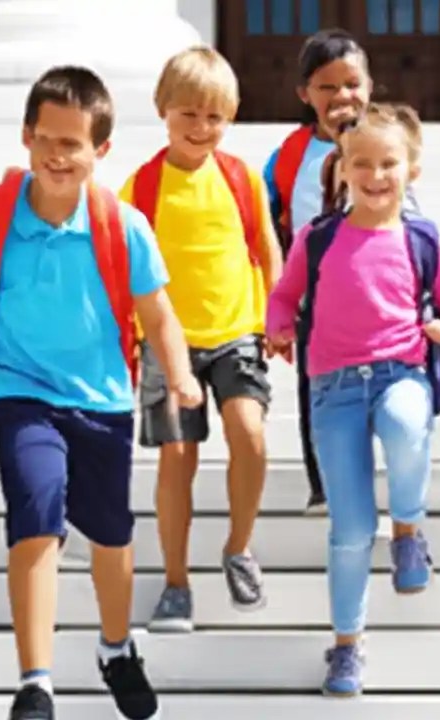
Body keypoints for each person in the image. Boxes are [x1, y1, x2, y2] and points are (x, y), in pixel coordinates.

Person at [0, 65, 202, 720]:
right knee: (36, 511)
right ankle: (36, 680)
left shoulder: (125, 226)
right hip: (19, 391)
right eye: (46, 140)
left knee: (112, 537)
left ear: (100, 151)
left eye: (73, 144)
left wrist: (179, 375)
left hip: (103, 400)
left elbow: (160, 314)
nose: (58, 156)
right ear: (27, 138)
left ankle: (116, 649)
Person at [264, 103, 440, 697]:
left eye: (389, 163)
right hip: (331, 389)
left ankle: (409, 529)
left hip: (398, 372)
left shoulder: (421, 238)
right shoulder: (319, 237)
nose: (376, 175)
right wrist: (278, 326)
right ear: (341, 171)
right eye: (362, 164)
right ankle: (346, 646)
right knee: (350, 529)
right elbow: (283, 297)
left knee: (408, 426)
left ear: (411, 169)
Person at [119, 45, 282, 633]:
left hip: (238, 331)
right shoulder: (138, 189)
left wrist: (278, 315)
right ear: (163, 109)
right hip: (168, 345)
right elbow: (120, 271)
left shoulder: (241, 178)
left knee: (250, 434)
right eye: (188, 113)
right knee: (177, 461)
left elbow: (265, 248)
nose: (201, 128)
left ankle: (238, 548)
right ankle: (175, 583)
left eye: (214, 116)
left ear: (230, 117)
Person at [263, 28, 374, 515]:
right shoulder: (288, 156)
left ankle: (366, 475)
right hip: (314, 296)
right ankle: (322, 483)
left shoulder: (383, 142)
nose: (341, 96)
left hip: (376, 295)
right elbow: (267, 222)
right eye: (326, 87)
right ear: (304, 94)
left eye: (352, 83)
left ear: (369, 86)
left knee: (373, 389)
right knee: (316, 389)